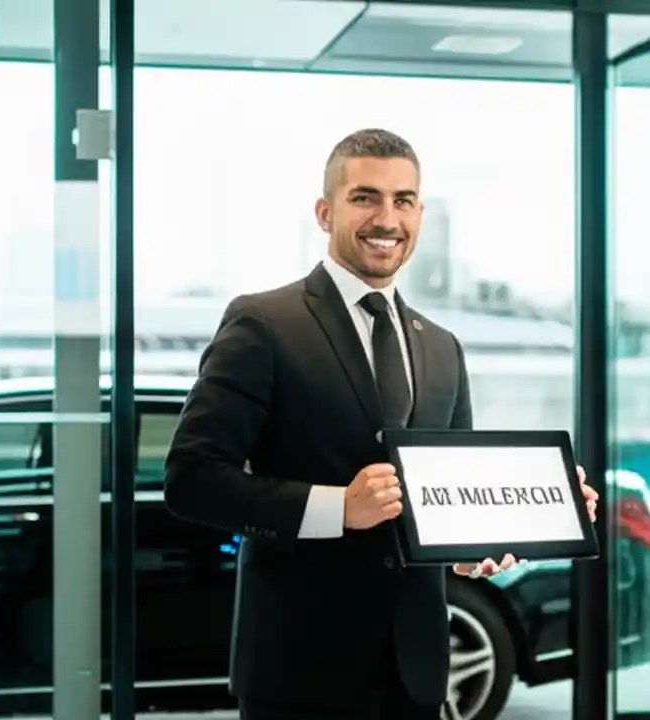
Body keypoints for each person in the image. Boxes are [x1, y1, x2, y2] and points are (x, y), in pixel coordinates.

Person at [163, 128, 598, 720]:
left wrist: (506, 530)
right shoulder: (264, 323)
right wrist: (337, 507)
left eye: (404, 200)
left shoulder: (443, 348)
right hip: (298, 671)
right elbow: (191, 479)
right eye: (365, 197)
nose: (386, 218)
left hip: (417, 672)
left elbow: (446, 504)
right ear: (325, 211)